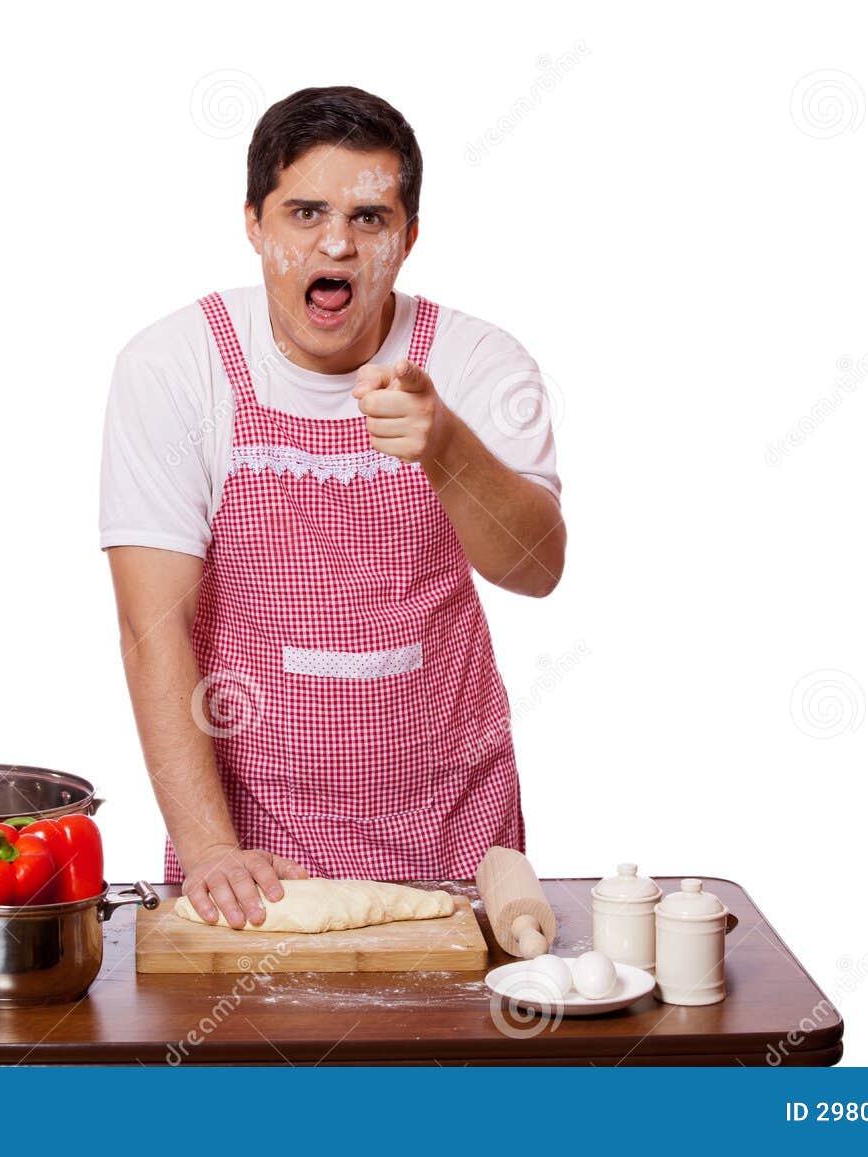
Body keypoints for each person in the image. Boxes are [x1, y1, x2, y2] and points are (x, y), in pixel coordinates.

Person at [100, 86, 565, 928]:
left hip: (454, 820)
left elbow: (537, 570)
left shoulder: (477, 361)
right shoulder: (174, 367)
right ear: (254, 222)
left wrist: (446, 448)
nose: (337, 245)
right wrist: (209, 849)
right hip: (255, 837)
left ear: (409, 236)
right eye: (305, 211)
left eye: (370, 218)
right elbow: (151, 627)